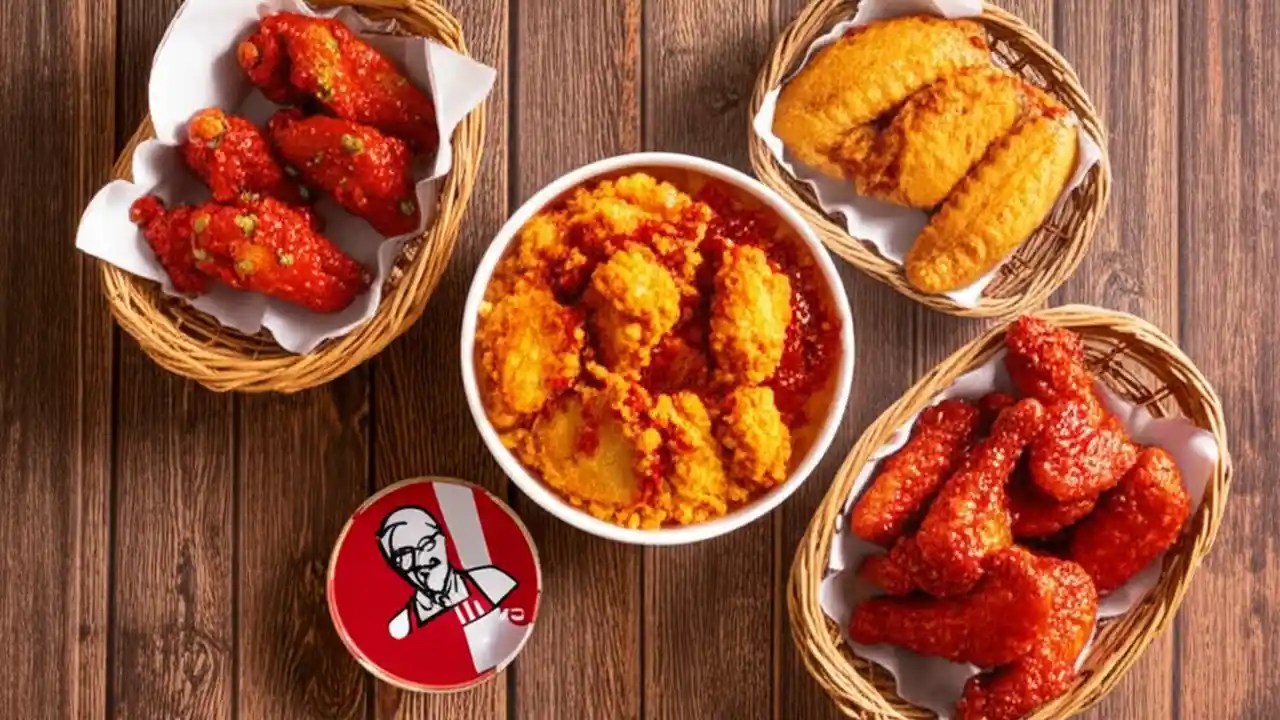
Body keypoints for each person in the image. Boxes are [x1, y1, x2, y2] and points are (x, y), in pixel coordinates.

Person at [377, 505, 517, 640]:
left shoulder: (494, 583)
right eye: (405, 554)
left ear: (442, 540)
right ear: (396, 566)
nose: (420, 561)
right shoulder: (401, 628)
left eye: (427, 543)